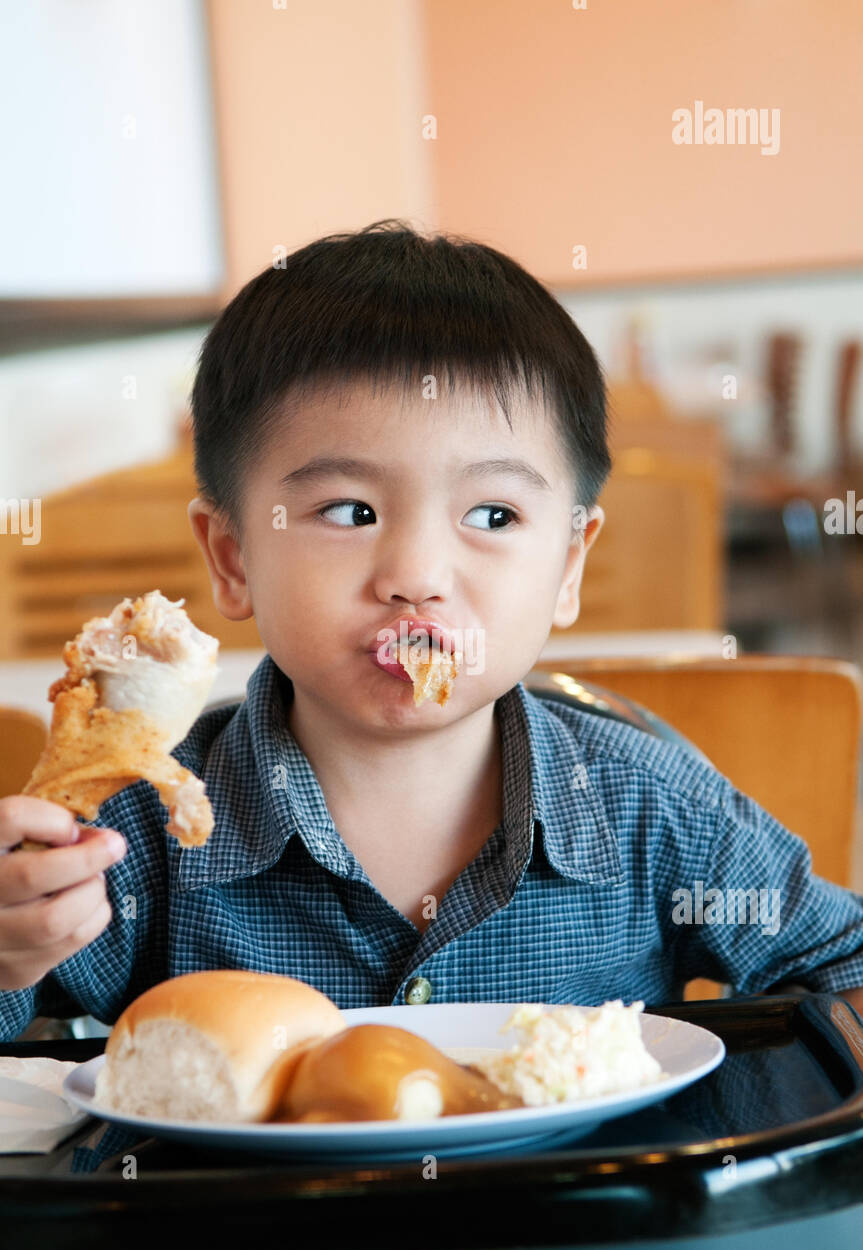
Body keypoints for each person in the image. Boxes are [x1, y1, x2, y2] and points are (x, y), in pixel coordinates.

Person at [2, 219, 863, 1040]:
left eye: (491, 513)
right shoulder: (140, 836)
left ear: (568, 564)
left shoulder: (650, 810)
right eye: (349, 510)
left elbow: (841, 958)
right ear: (232, 558)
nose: (414, 576)